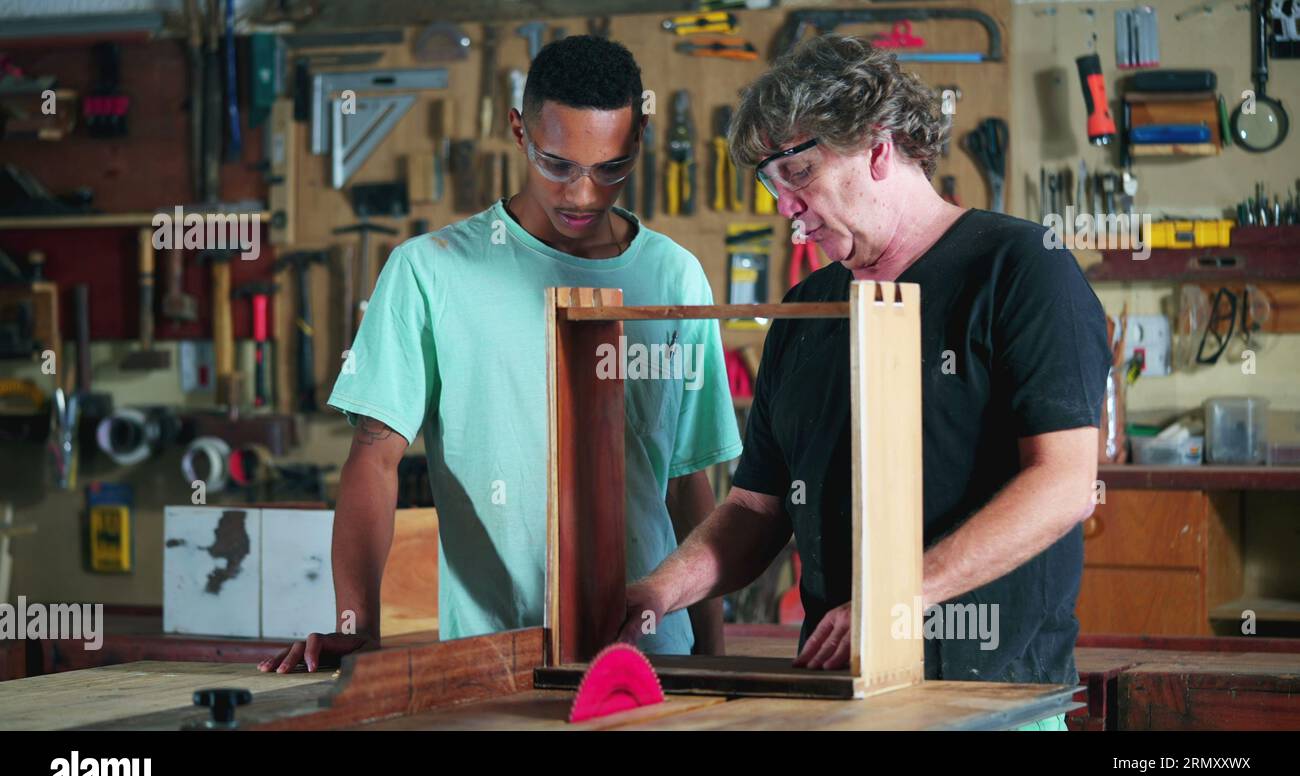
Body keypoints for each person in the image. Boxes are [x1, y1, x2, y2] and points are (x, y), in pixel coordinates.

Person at [620, 35, 1110, 729]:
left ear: (878, 148)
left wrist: (896, 597)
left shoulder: (1024, 271)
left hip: (993, 702)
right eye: (771, 183)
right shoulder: (807, 310)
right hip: (840, 701)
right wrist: (656, 591)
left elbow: (1063, 484)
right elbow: (757, 511)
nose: (785, 208)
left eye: (799, 172)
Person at [260, 35, 740, 674]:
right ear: (518, 131)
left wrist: (711, 654)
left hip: (651, 661)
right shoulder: (430, 273)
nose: (582, 195)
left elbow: (687, 481)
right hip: (491, 659)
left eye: (610, 169)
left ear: (642, 135)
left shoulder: (675, 279)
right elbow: (374, 460)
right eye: (557, 164)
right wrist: (358, 625)